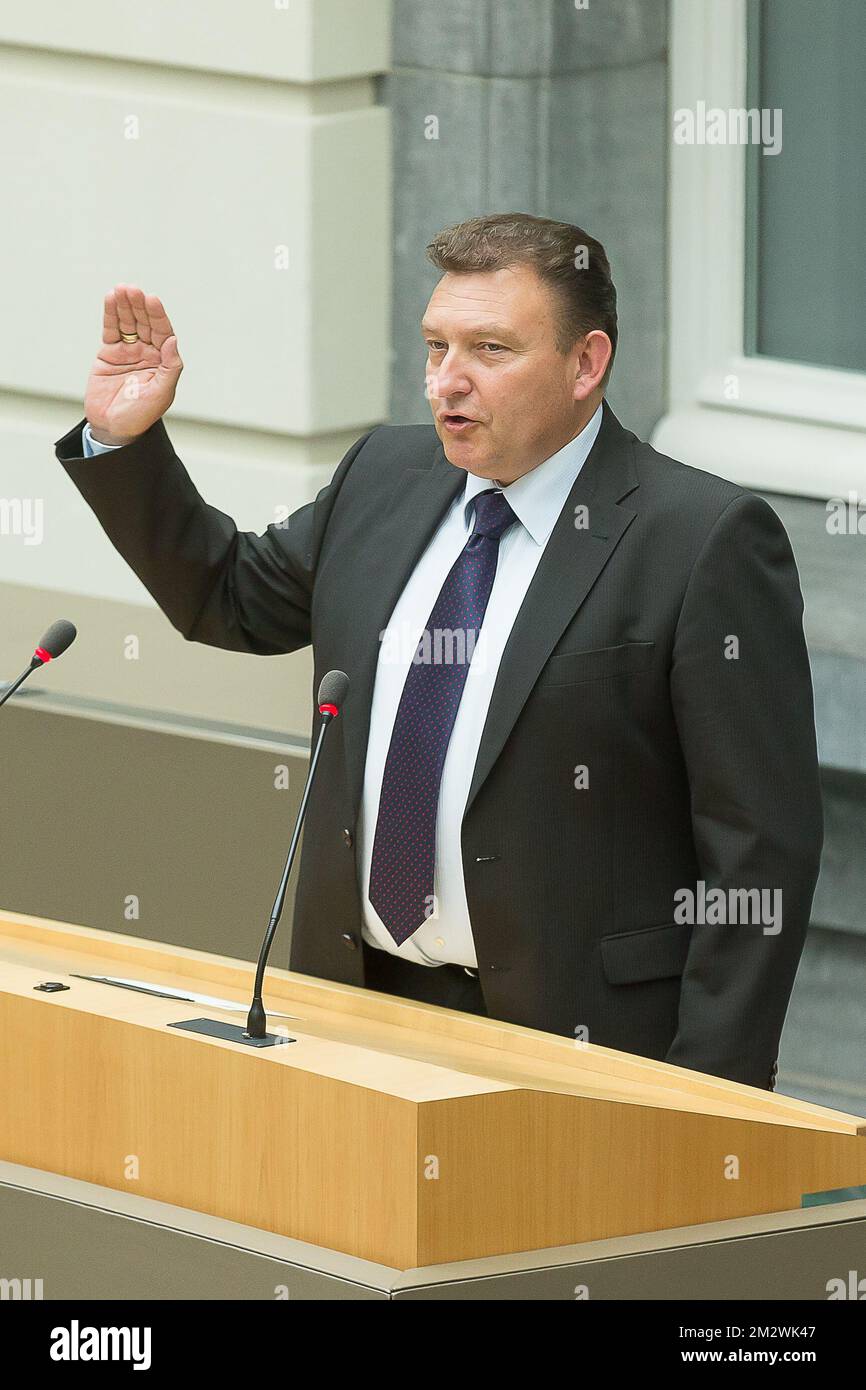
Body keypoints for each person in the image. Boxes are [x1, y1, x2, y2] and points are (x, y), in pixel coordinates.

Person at [55, 212, 823, 1089]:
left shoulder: (699, 539)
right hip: (351, 1016)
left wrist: (707, 1097)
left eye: (489, 351)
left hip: (580, 1052)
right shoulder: (385, 476)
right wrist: (126, 443)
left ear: (586, 364)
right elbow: (229, 597)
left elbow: (758, 848)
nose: (446, 384)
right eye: (434, 348)